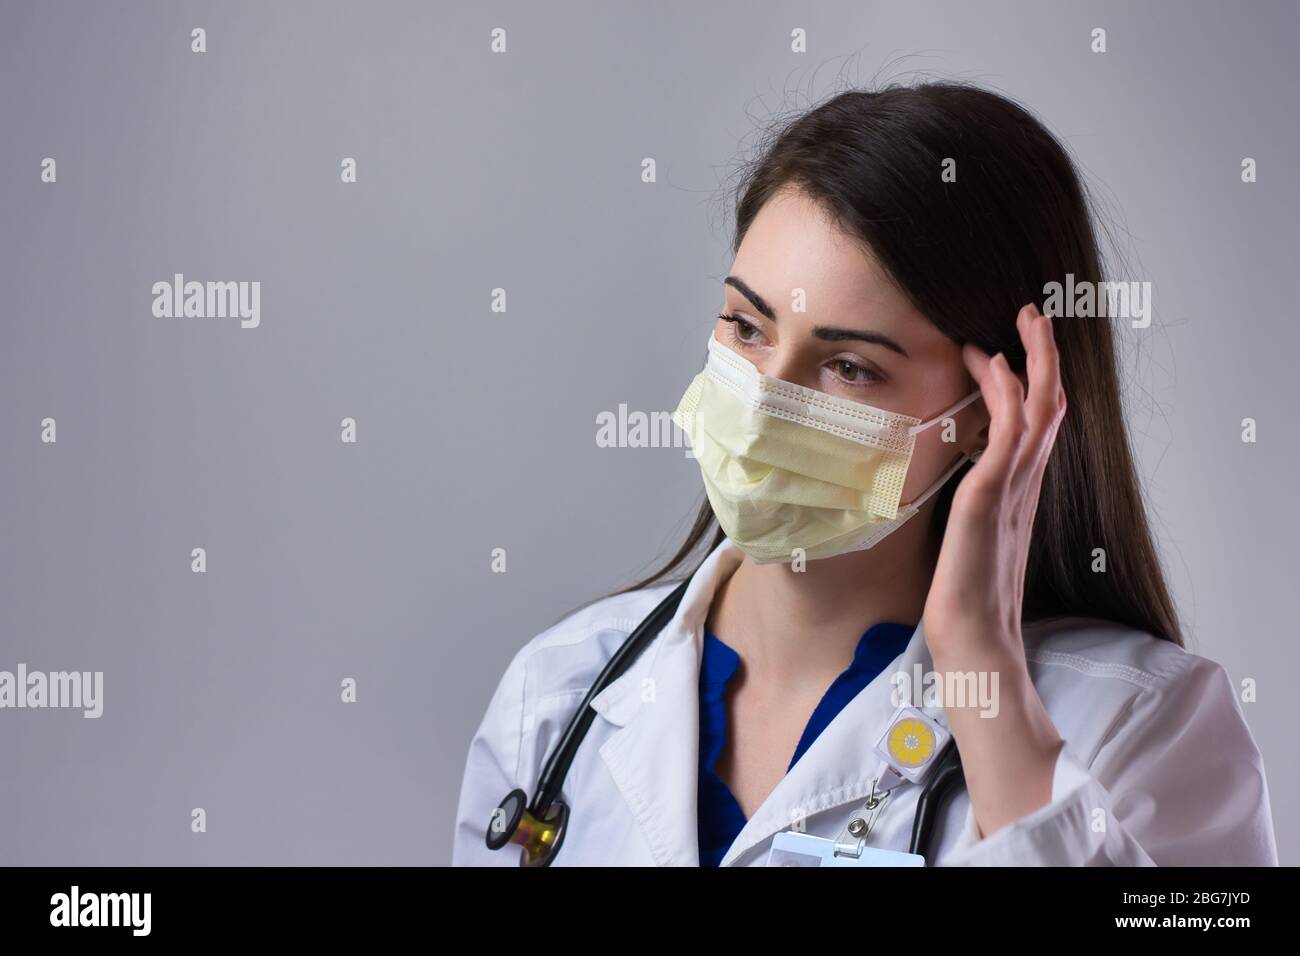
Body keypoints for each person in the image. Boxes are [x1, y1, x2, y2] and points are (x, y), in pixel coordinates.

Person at [451, 82, 1278, 866]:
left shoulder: (1145, 725)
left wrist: (985, 679)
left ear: (992, 410)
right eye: (746, 326)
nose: (766, 399)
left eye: (848, 367)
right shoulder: (555, 694)